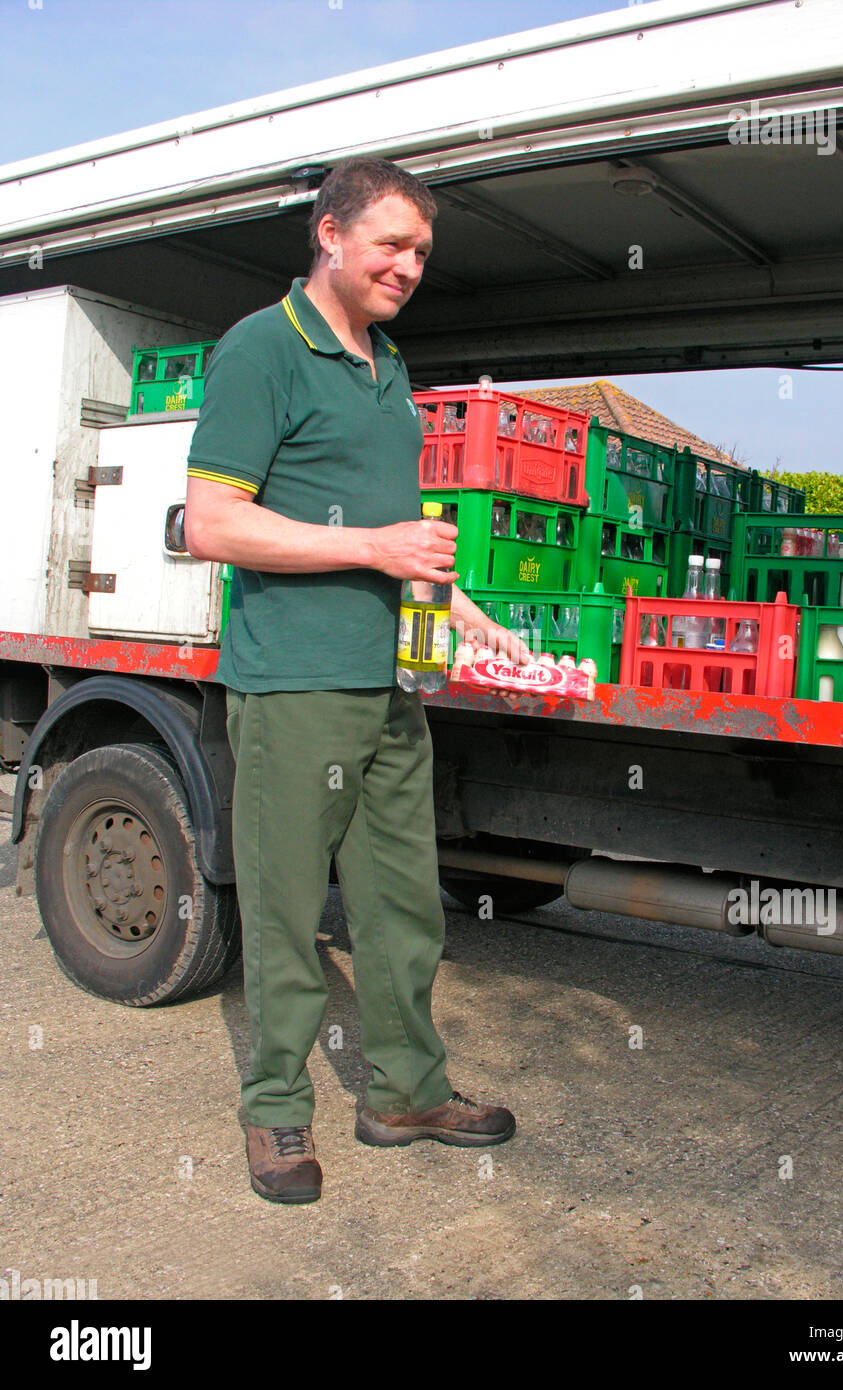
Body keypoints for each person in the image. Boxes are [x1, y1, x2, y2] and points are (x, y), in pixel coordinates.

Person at [184, 157, 529, 1204]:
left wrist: (461, 610)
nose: (407, 266)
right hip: (294, 685)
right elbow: (213, 523)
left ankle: (405, 1092)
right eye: (389, 244)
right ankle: (276, 1112)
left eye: (420, 251)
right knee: (289, 911)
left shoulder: (387, 367)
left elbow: (400, 539)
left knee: (399, 904)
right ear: (327, 236)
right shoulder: (261, 350)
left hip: (390, 683)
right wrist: (374, 549)